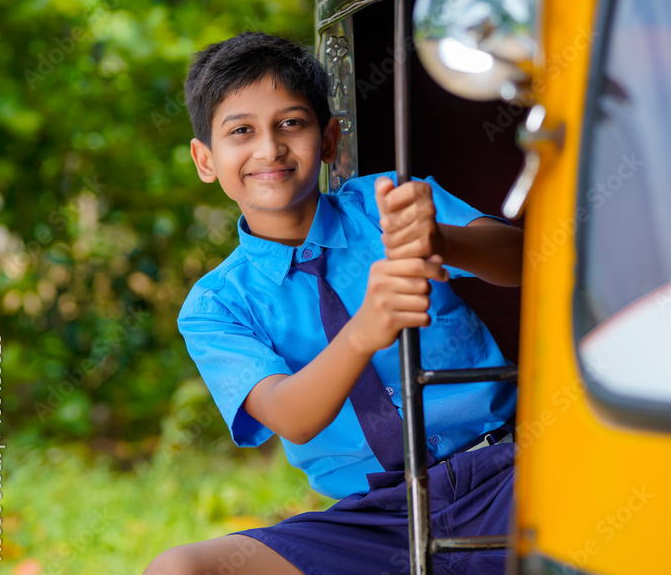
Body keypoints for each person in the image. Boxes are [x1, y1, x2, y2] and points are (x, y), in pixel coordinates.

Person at [143, 32, 523, 575]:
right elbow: (291, 417)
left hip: (503, 473)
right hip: (370, 523)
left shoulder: (385, 200)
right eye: (241, 131)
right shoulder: (214, 305)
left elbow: (525, 259)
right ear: (205, 159)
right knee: (179, 569)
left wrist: (442, 241)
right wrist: (366, 329)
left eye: (291, 124)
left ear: (328, 140)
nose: (269, 148)